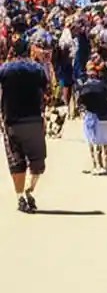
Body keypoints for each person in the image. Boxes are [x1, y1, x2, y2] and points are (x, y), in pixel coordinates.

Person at [0, 39, 50, 213]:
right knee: (37, 162)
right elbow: (46, 89)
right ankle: (29, 189)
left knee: (16, 161)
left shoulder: (5, 69)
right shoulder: (37, 69)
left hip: (11, 120)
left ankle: (20, 196)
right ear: (29, 51)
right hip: (33, 119)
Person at [77, 57, 107, 176]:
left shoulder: (84, 86)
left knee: (93, 142)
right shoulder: (105, 83)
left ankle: (97, 166)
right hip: (106, 115)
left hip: (92, 115)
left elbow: (81, 102)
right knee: (106, 142)